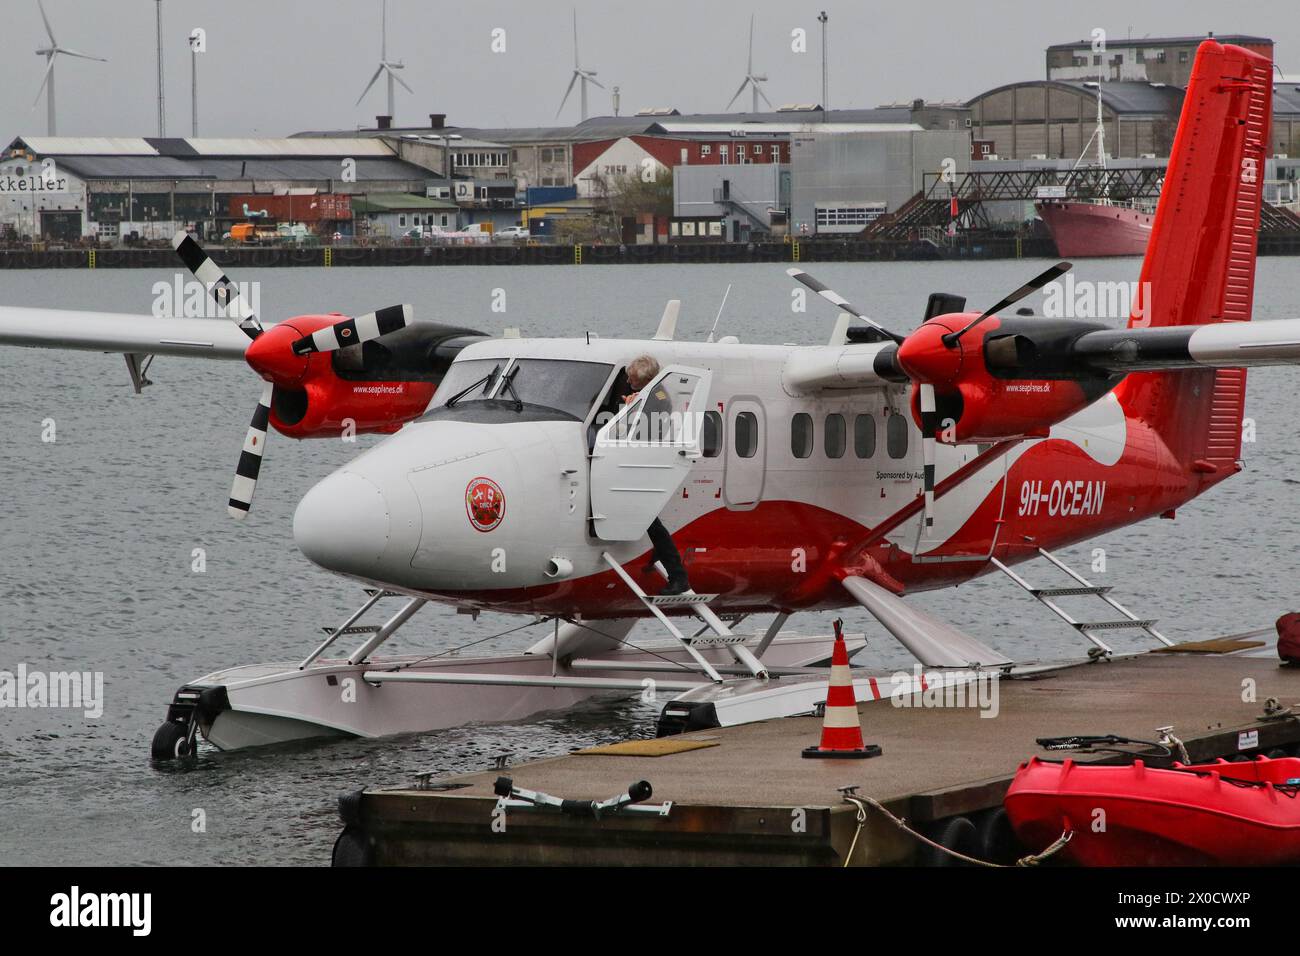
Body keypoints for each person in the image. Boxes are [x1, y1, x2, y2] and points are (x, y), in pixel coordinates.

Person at [625, 354, 692, 596]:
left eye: (633, 381)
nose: (630, 383)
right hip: (645, 460)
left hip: (646, 462)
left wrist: (632, 407)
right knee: (651, 523)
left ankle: (678, 576)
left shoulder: (657, 398)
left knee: (653, 523)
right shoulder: (652, 393)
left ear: (646, 380)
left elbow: (644, 428)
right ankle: (659, 555)